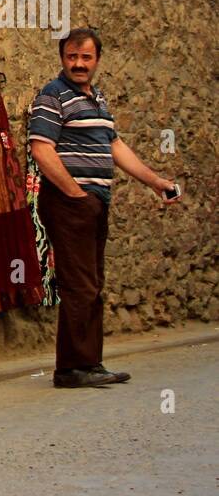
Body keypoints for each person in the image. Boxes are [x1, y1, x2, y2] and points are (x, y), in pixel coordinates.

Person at [26, 28, 179, 388]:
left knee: (92, 283)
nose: (78, 64)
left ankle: (89, 363)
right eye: (72, 57)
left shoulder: (96, 100)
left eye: (86, 58)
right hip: (70, 203)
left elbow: (116, 147)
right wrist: (75, 194)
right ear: (63, 58)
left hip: (94, 203)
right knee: (80, 286)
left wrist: (156, 182)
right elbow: (41, 148)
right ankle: (71, 369)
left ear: (97, 60)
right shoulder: (53, 96)